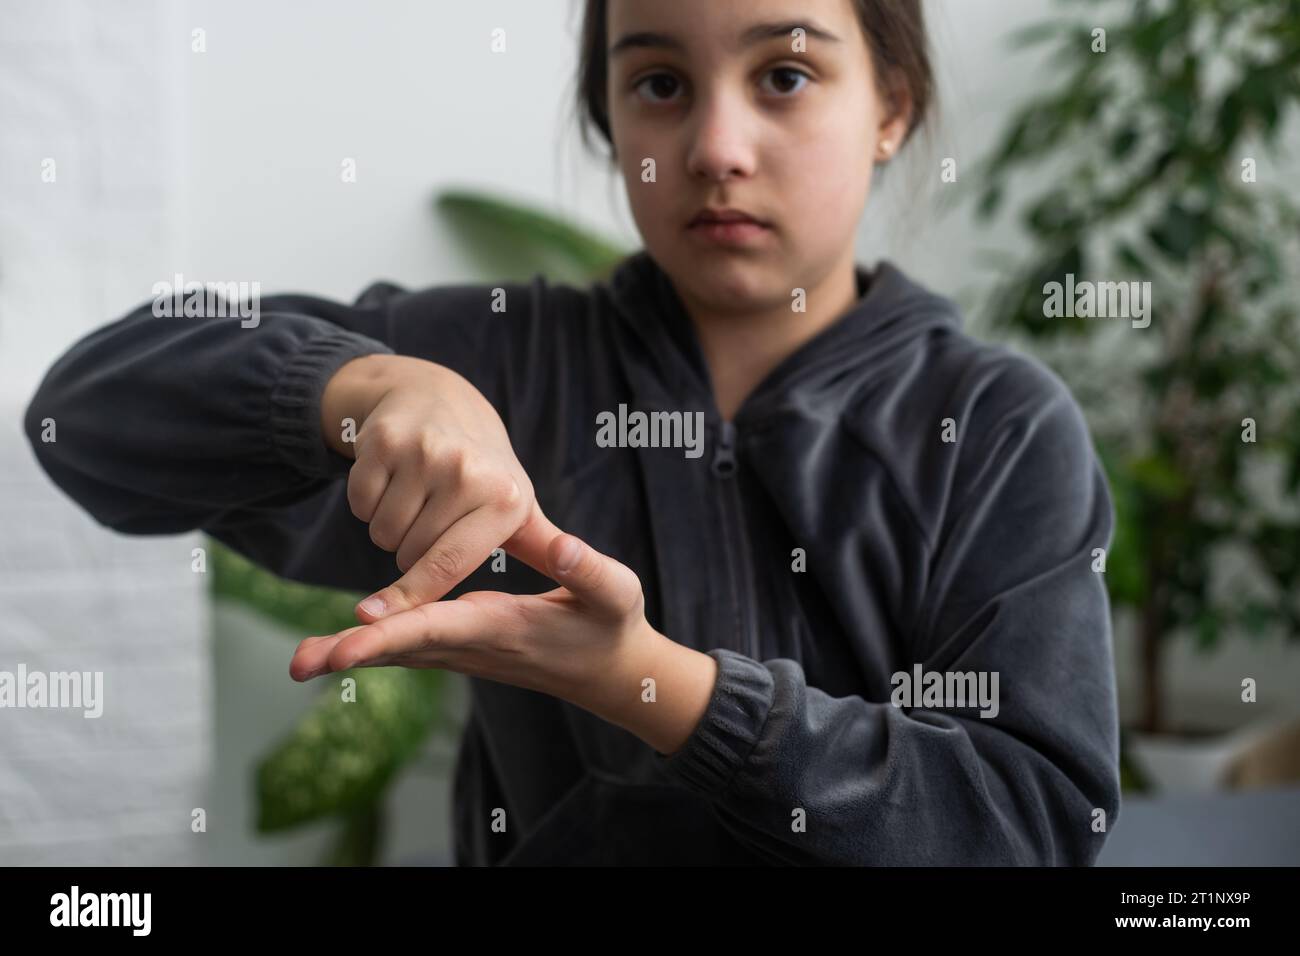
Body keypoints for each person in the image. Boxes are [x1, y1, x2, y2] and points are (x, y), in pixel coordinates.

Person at [23, 0, 1121, 865]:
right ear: (608, 117)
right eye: (659, 83)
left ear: (891, 105)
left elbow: (1030, 818)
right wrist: (358, 388)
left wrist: (647, 680)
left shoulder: (995, 429)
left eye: (784, 76)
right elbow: (83, 414)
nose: (717, 147)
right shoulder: (508, 362)